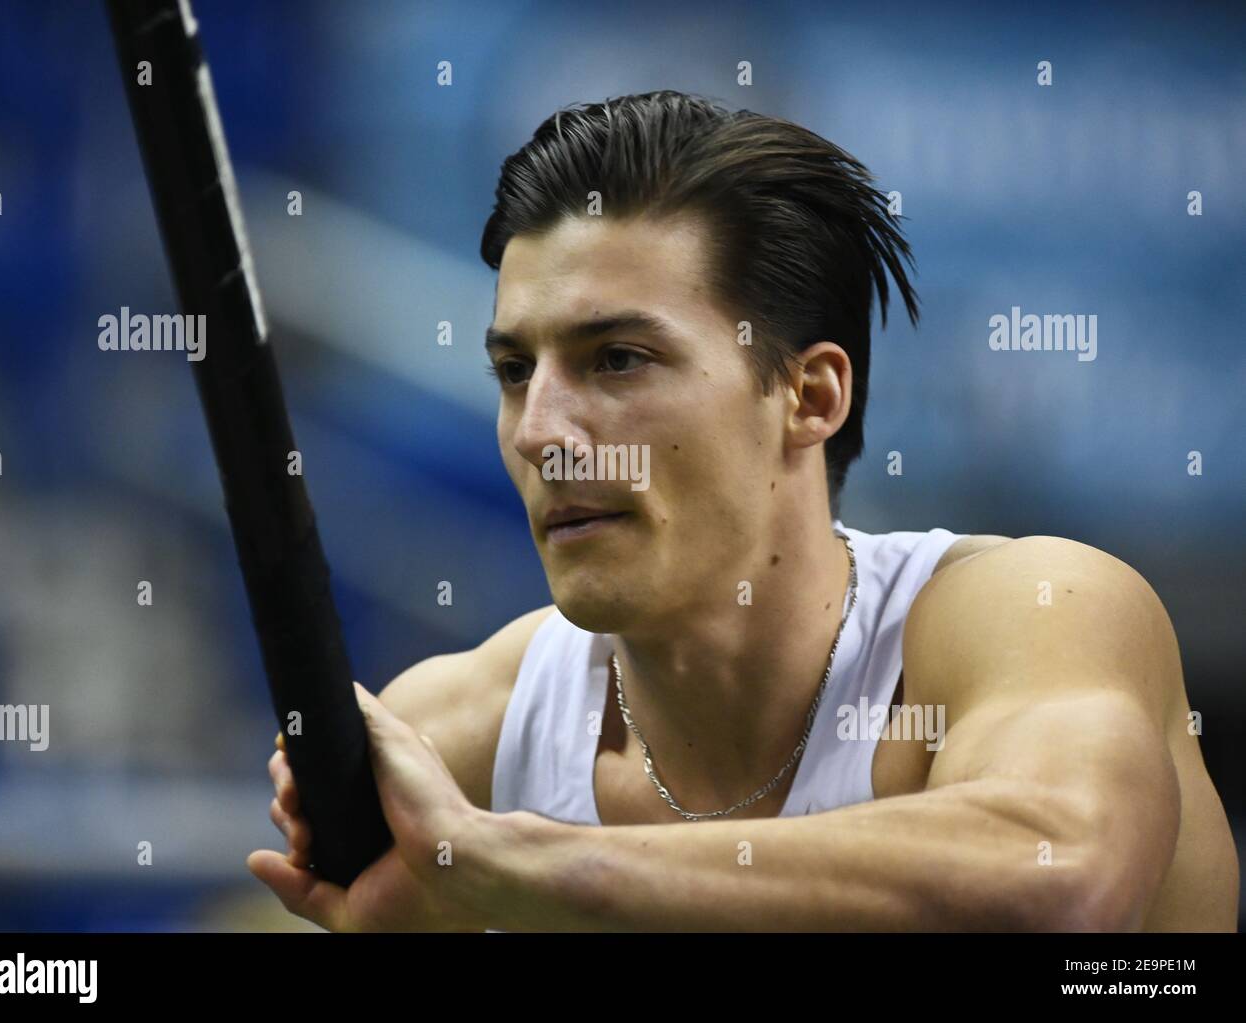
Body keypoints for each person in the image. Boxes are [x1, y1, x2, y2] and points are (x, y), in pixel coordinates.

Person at [247, 91, 1238, 931]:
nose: (537, 429)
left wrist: (523, 867)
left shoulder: (1037, 612)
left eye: (619, 359)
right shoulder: (460, 742)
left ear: (809, 397)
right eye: (513, 370)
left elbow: (1060, 876)